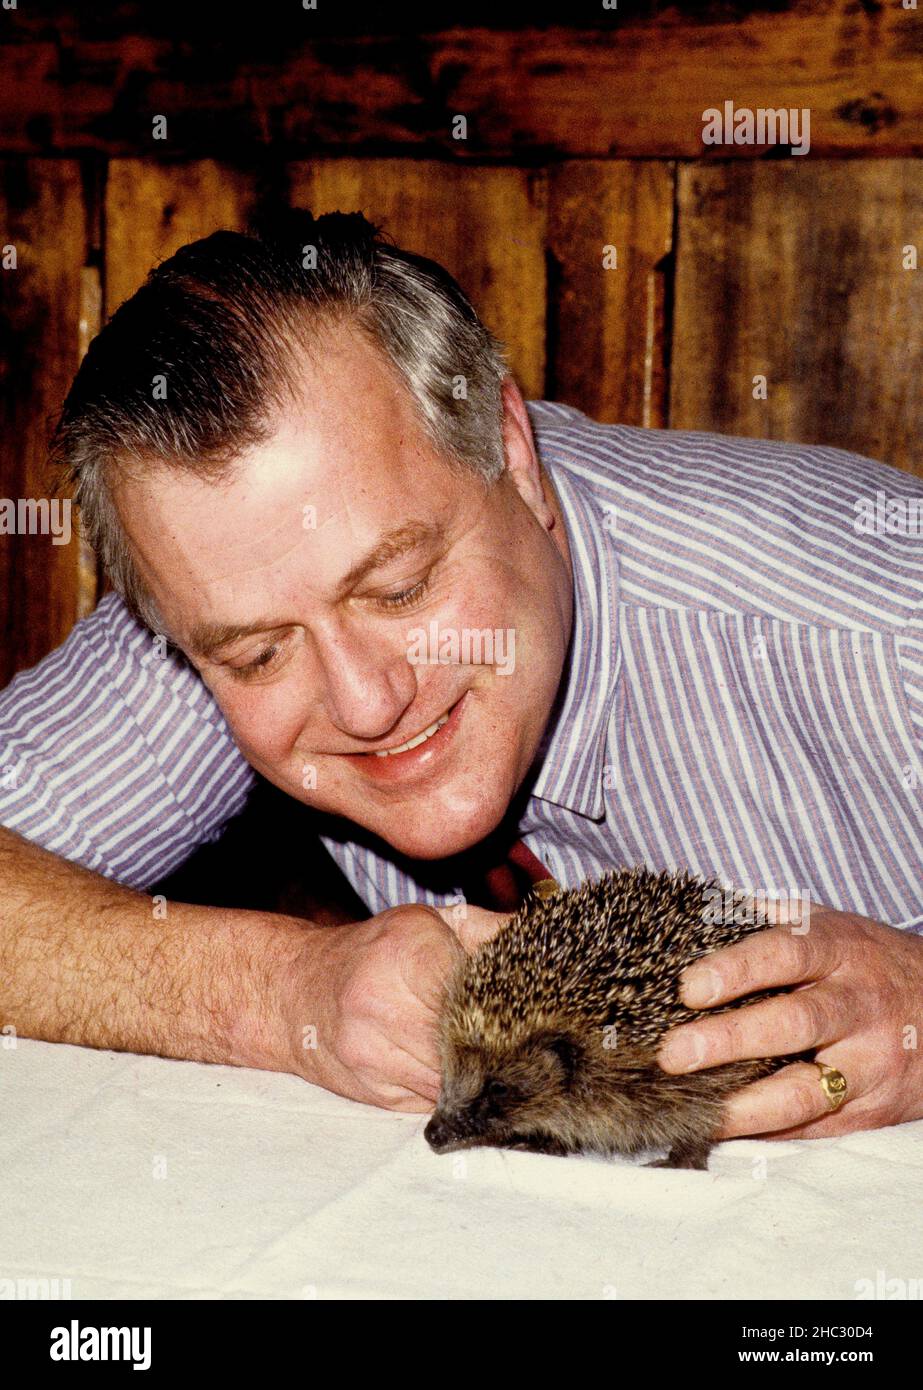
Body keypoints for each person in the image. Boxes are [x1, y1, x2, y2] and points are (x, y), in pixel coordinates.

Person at [1, 210, 922, 1149]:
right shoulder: (230, 575)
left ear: (512, 457)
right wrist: (276, 991)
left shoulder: (884, 621)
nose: (366, 704)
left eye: (399, 590)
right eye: (258, 657)